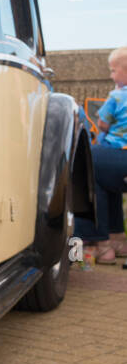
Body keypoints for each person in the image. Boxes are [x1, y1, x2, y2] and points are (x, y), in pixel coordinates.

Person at [75, 47, 127, 265]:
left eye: (113, 71)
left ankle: (96, 243)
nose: (111, 75)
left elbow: (103, 123)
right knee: (104, 174)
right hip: (119, 163)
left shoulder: (117, 96)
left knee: (85, 162)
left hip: (121, 156)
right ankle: (117, 240)